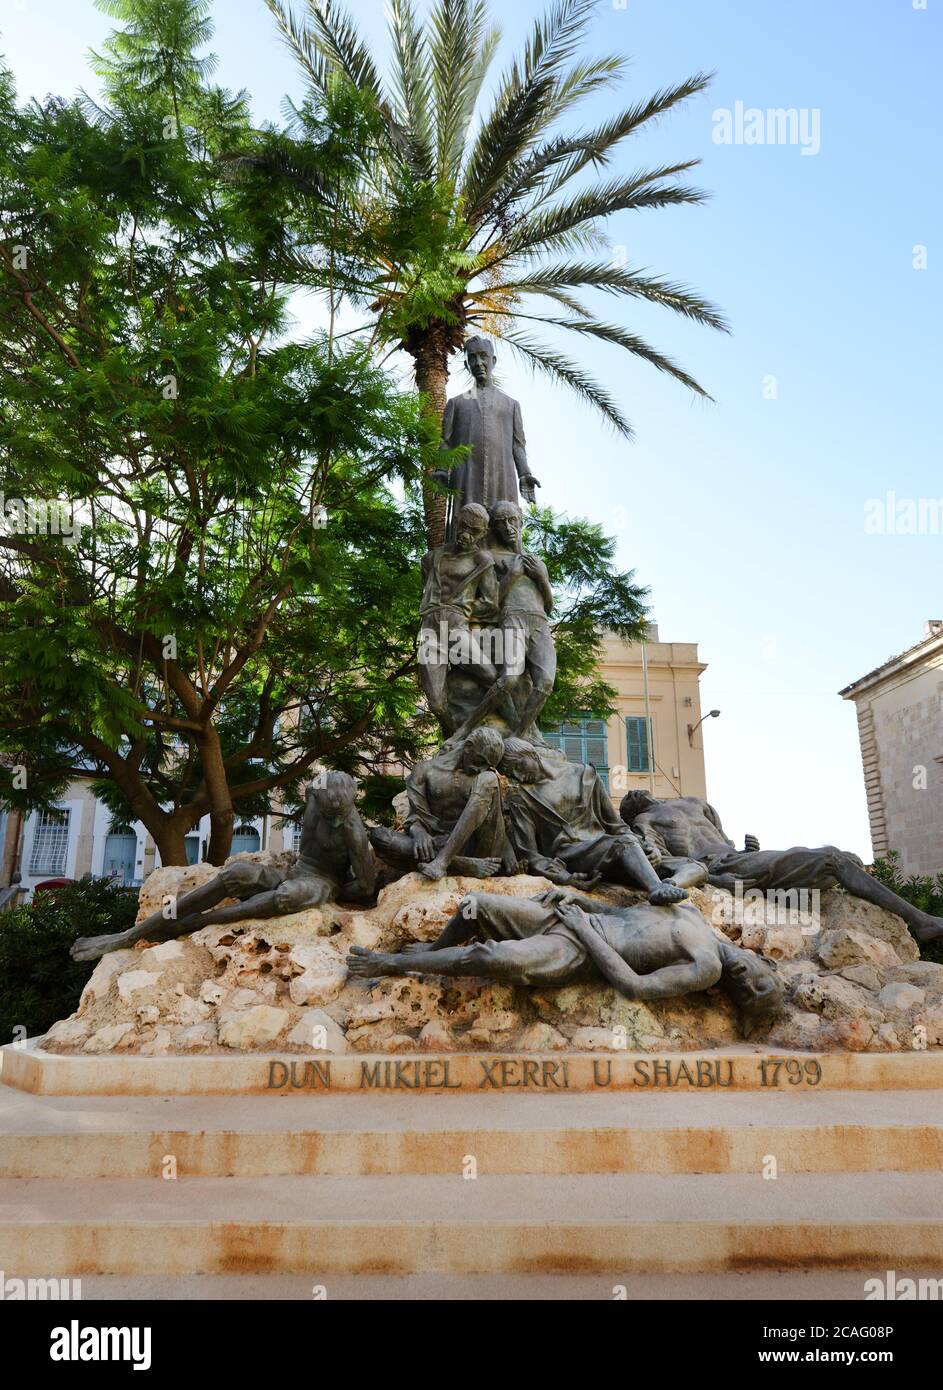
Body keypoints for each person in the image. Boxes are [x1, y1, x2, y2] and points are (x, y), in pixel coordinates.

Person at [346, 886, 784, 1039]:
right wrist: (580, 900)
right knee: (474, 906)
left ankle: (392, 964)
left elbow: (633, 985)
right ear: (769, 965)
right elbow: (624, 916)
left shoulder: (706, 967)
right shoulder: (692, 915)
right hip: (577, 918)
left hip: (575, 951)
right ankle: (431, 950)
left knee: (489, 956)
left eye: (747, 997)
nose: (748, 986)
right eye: (761, 985)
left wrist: (587, 931)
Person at [71, 772, 376, 961]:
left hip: (322, 880)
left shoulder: (353, 832)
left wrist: (332, 892)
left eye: (341, 814)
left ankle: (190, 924)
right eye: (328, 812)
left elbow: (365, 885)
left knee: (287, 897)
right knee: (236, 871)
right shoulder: (314, 795)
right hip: (295, 870)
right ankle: (128, 935)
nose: (334, 818)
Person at [620, 790, 943, 943]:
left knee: (843, 858)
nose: (634, 793)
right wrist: (720, 880)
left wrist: (748, 850)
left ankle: (918, 919)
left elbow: (724, 840)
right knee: (833, 859)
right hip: (721, 868)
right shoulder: (643, 820)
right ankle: (920, 920)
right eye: (629, 798)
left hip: (737, 858)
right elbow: (662, 863)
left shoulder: (695, 802)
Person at [500, 738, 686, 903]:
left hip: (606, 848)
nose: (518, 776)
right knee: (624, 843)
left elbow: (616, 825)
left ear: (530, 753)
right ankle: (656, 888)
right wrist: (565, 877)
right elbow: (530, 854)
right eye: (512, 774)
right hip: (571, 857)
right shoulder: (521, 797)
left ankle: (670, 883)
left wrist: (646, 846)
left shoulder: (585, 774)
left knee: (690, 865)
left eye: (518, 766)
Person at [369, 727, 516, 881]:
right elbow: (416, 816)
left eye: (487, 765)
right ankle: (461, 864)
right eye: (480, 761)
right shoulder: (424, 770)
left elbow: (496, 820)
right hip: (436, 844)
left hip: (478, 846)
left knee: (489, 779)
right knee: (379, 836)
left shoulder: (484, 776)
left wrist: (508, 851)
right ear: (468, 747)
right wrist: (419, 833)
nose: (481, 768)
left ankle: (443, 862)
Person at [432, 336, 541, 539]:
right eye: (472, 358)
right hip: (465, 474)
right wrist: (440, 469)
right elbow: (445, 441)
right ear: (466, 364)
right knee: (464, 527)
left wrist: (524, 474)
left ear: (494, 361)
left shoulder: (511, 405)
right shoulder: (456, 404)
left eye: (483, 357)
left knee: (503, 526)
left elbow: (518, 444)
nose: (478, 363)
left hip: (502, 474)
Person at [417, 502, 502, 734]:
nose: (467, 534)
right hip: (429, 629)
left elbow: (491, 603)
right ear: (456, 522)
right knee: (435, 702)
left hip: (456, 626)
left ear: (483, 533)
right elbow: (428, 588)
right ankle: (454, 739)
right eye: (464, 526)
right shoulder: (430, 559)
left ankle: (513, 725)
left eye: (474, 531)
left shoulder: (482, 562)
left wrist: (463, 609)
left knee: (492, 677)